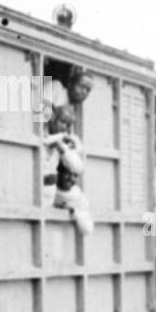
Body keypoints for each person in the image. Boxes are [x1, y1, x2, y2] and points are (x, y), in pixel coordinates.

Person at [42, 74, 93, 235]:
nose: (84, 92)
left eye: (88, 90)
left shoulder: (64, 137)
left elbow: (77, 165)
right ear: (70, 83)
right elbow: (43, 111)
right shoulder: (57, 88)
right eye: (81, 86)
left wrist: (62, 143)